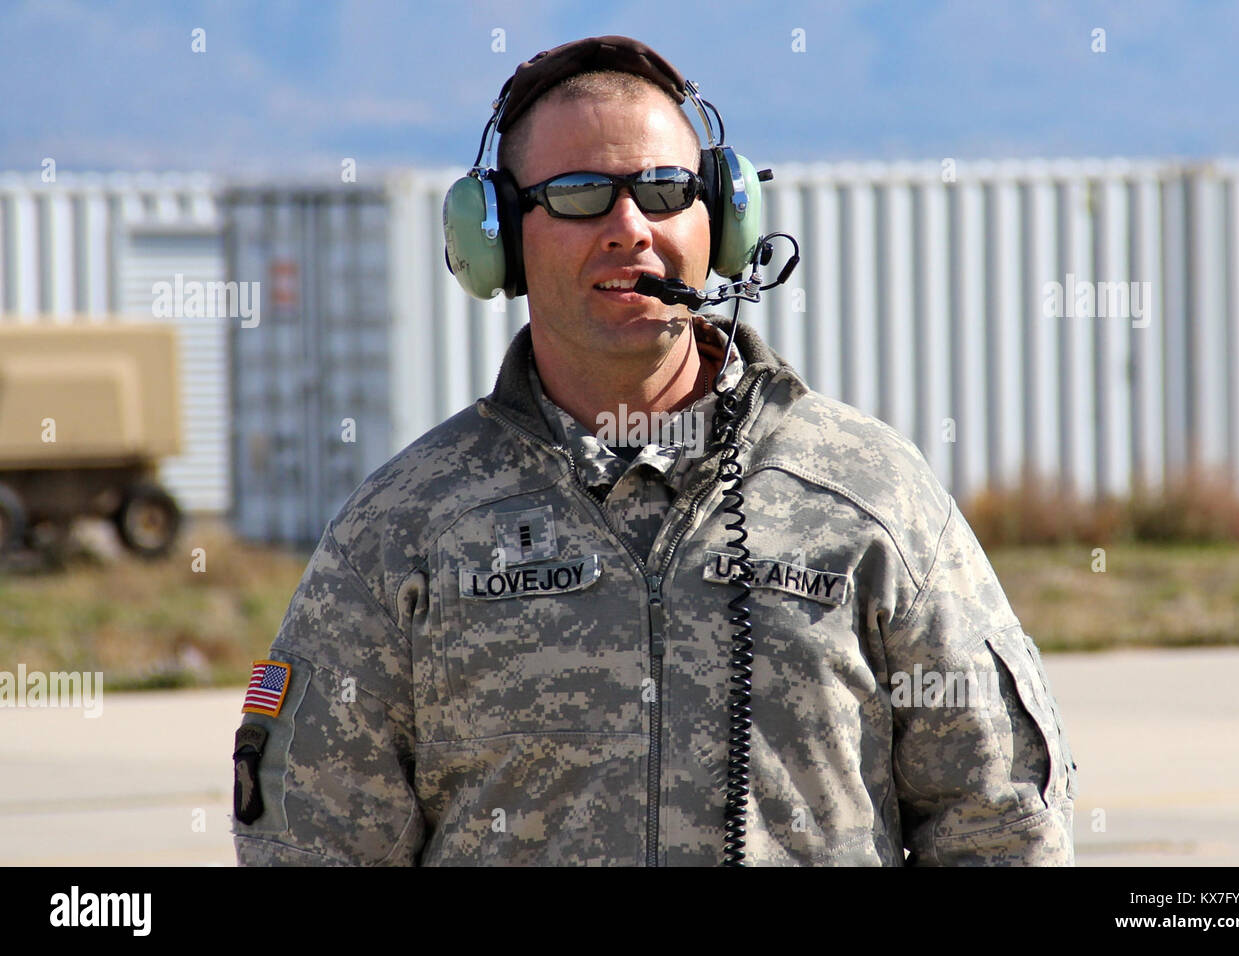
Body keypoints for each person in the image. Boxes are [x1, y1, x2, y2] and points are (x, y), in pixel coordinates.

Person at [231, 34, 1078, 866]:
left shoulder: (867, 494)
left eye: (666, 191)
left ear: (723, 215)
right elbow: (311, 845)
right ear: (499, 237)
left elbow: (999, 823)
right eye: (578, 194)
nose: (631, 228)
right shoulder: (403, 529)